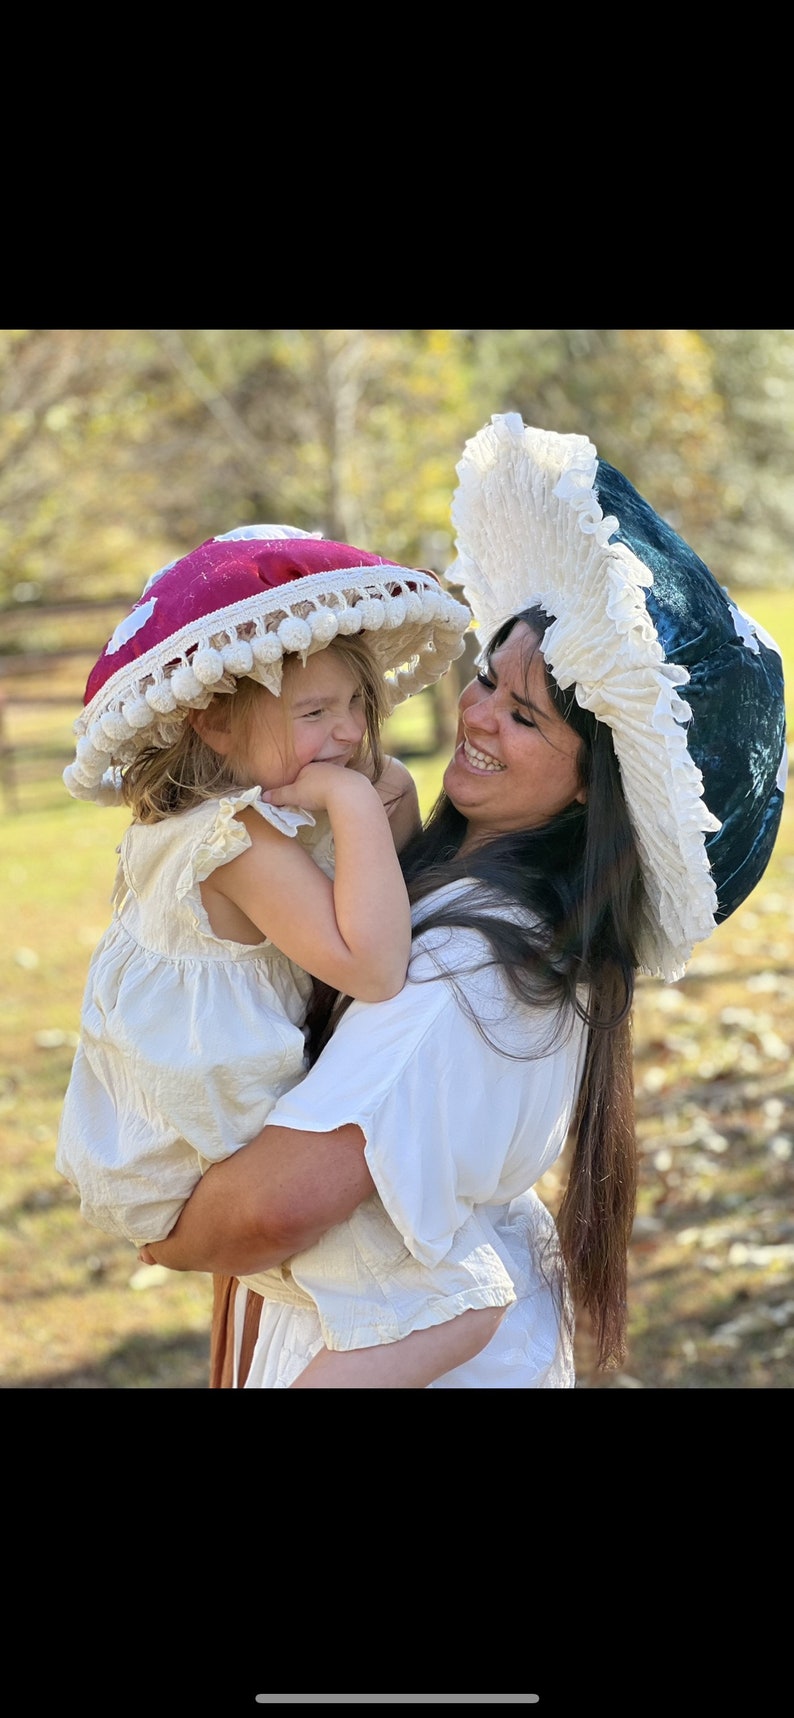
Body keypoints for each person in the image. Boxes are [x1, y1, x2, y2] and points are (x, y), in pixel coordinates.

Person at [138, 416, 787, 1388]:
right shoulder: (492, 912)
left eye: (523, 715)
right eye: (487, 676)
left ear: (588, 786)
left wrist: (155, 1221)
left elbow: (280, 1203)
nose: (476, 713)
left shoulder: (461, 969)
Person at [56, 524, 511, 1388]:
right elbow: (376, 968)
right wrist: (352, 802)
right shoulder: (241, 843)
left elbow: (395, 901)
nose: (345, 733)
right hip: (201, 1147)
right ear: (217, 725)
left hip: (197, 1127)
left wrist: (386, 808)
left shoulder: (236, 820)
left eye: (353, 705)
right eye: (314, 714)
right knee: (468, 1300)